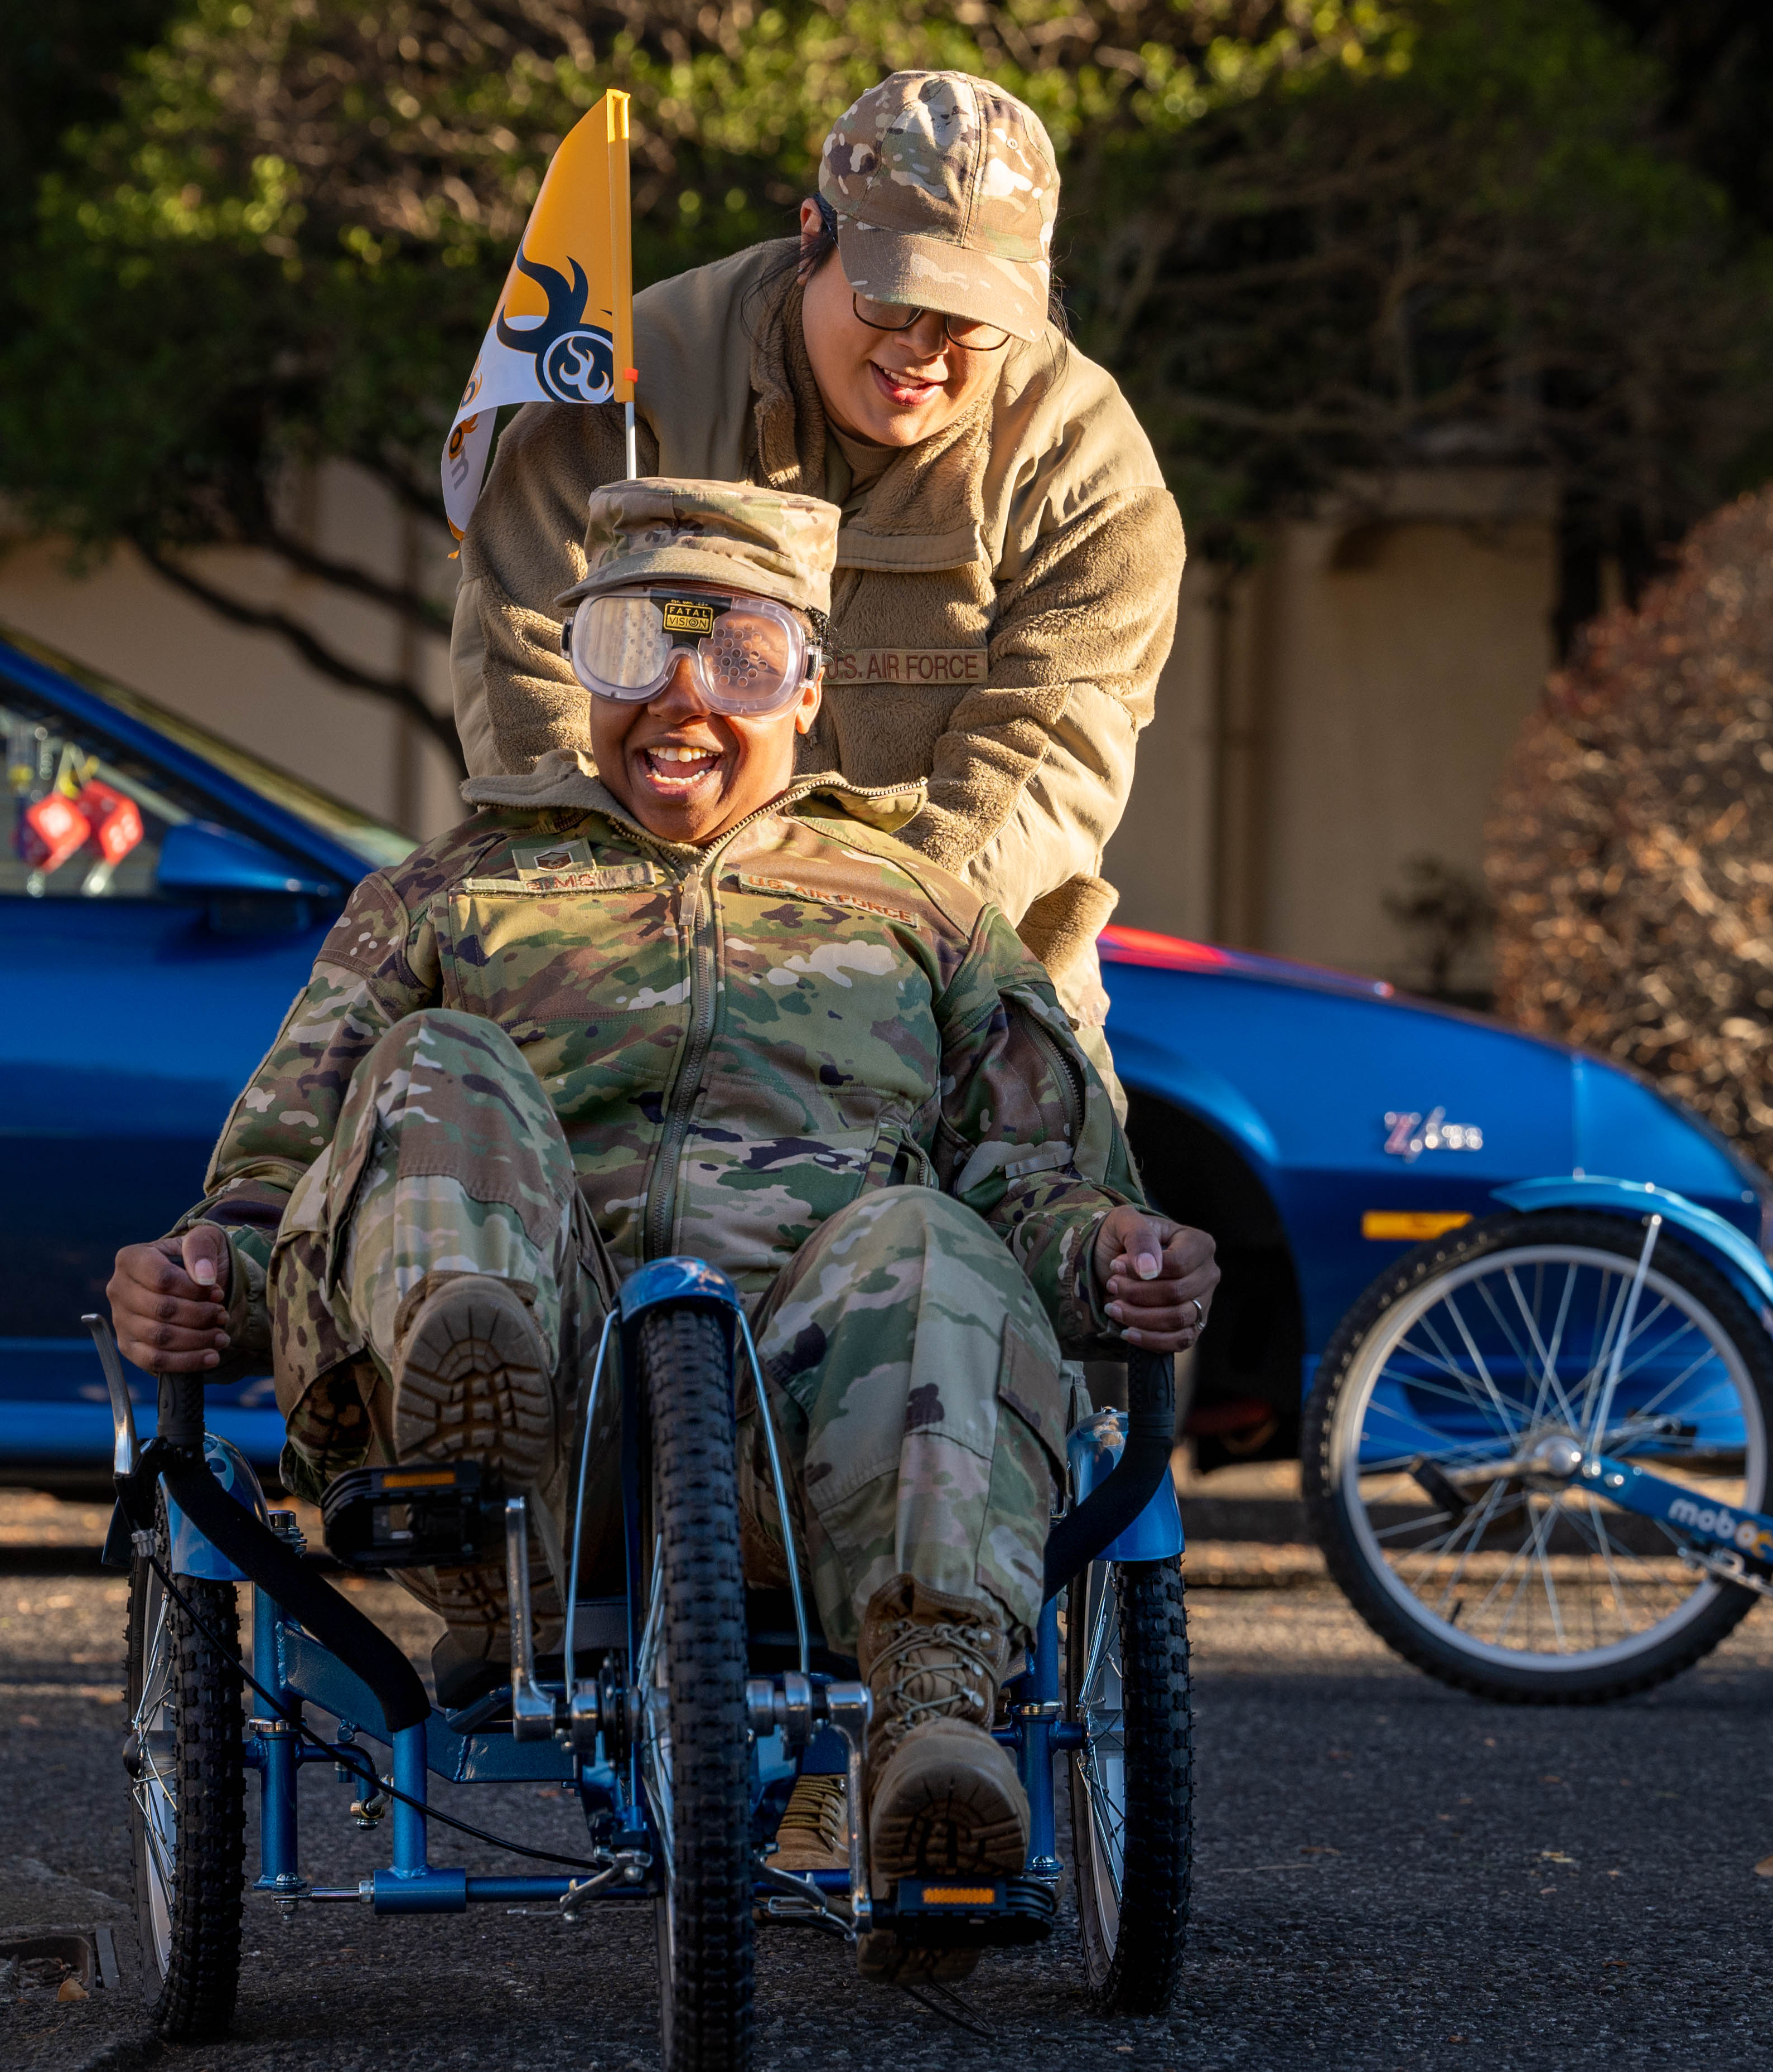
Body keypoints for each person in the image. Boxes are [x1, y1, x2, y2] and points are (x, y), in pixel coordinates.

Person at [109, 479, 1215, 1962]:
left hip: (804, 1451)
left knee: (930, 1231)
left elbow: (1031, 1175)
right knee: (438, 1062)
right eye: (637, 645)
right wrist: (201, 1273)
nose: (683, 698)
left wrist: (1116, 1252)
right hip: (519, 1461)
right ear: (580, 670)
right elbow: (285, 1167)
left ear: (809, 685)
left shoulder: (923, 909)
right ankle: (467, 1418)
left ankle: (937, 1729)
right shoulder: (449, 897)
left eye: (741, 656)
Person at [453, 69, 1184, 1062]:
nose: (926, 350)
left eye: (974, 319)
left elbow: (1043, 760)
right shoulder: (625, 381)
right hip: (632, 982)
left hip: (958, 988)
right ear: (812, 237)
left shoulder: (1089, 470)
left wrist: (844, 952)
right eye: (894, 299)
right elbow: (529, 672)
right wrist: (643, 936)